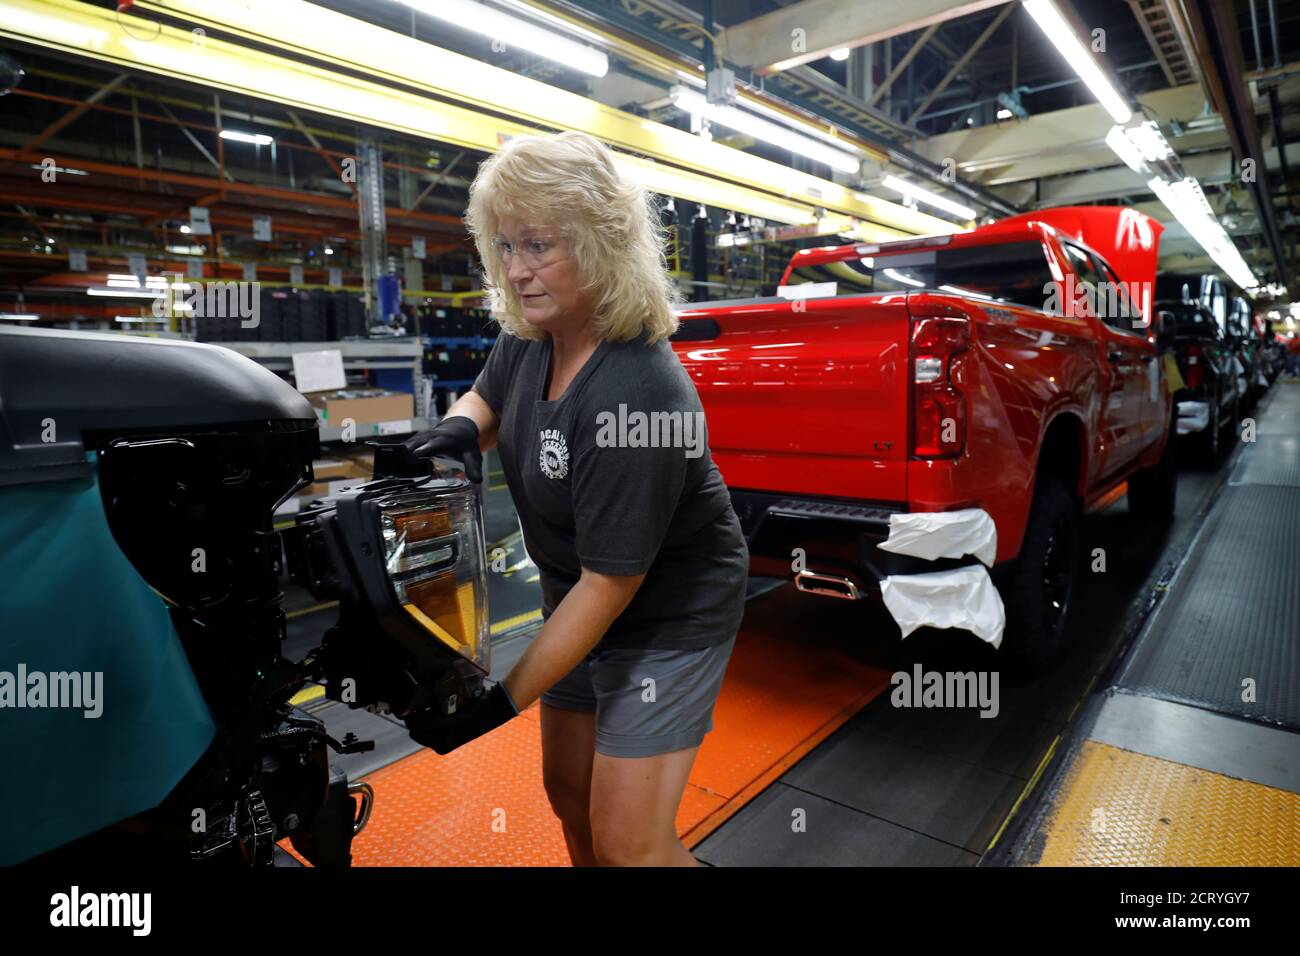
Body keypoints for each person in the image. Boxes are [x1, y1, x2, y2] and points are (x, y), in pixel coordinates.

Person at [402, 131, 749, 867]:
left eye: (538, 246)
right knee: (568, 790)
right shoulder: (534, 331)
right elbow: (488, 396)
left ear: (600, 246)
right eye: (504, 247)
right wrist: (460, 430)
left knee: (630, 843)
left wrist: (500, 701)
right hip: (578, 589)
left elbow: (610, 585)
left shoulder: (639, 390)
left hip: (666, 613)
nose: (517, 272)